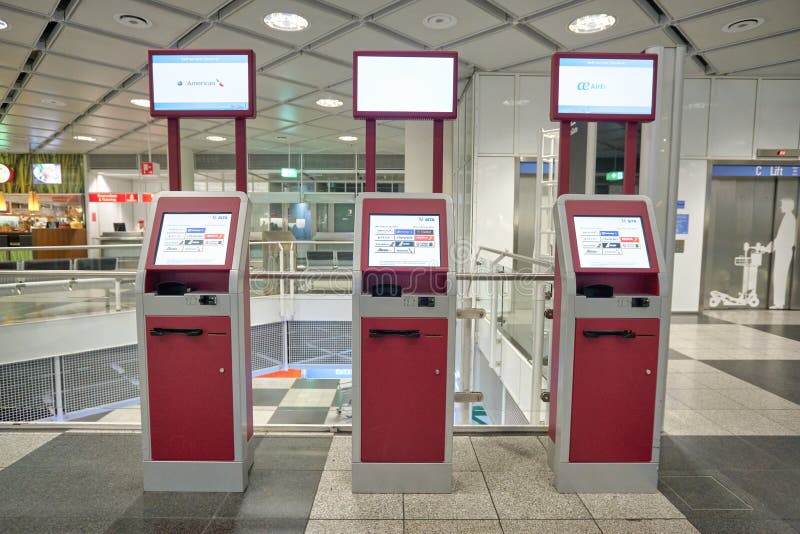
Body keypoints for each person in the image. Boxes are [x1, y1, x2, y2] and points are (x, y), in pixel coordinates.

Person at [766, 198, 797, 309]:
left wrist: (768, 248)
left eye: (782, 205)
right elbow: (780, 238)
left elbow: (781, 238)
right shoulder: (788, 218)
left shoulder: (789, 218)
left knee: (780, 276)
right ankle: (779, 303)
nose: (780, 207)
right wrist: (770, 247)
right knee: (779, 276)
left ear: (788, 206)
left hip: (784, 251)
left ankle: (779, 303)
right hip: (783, 250)